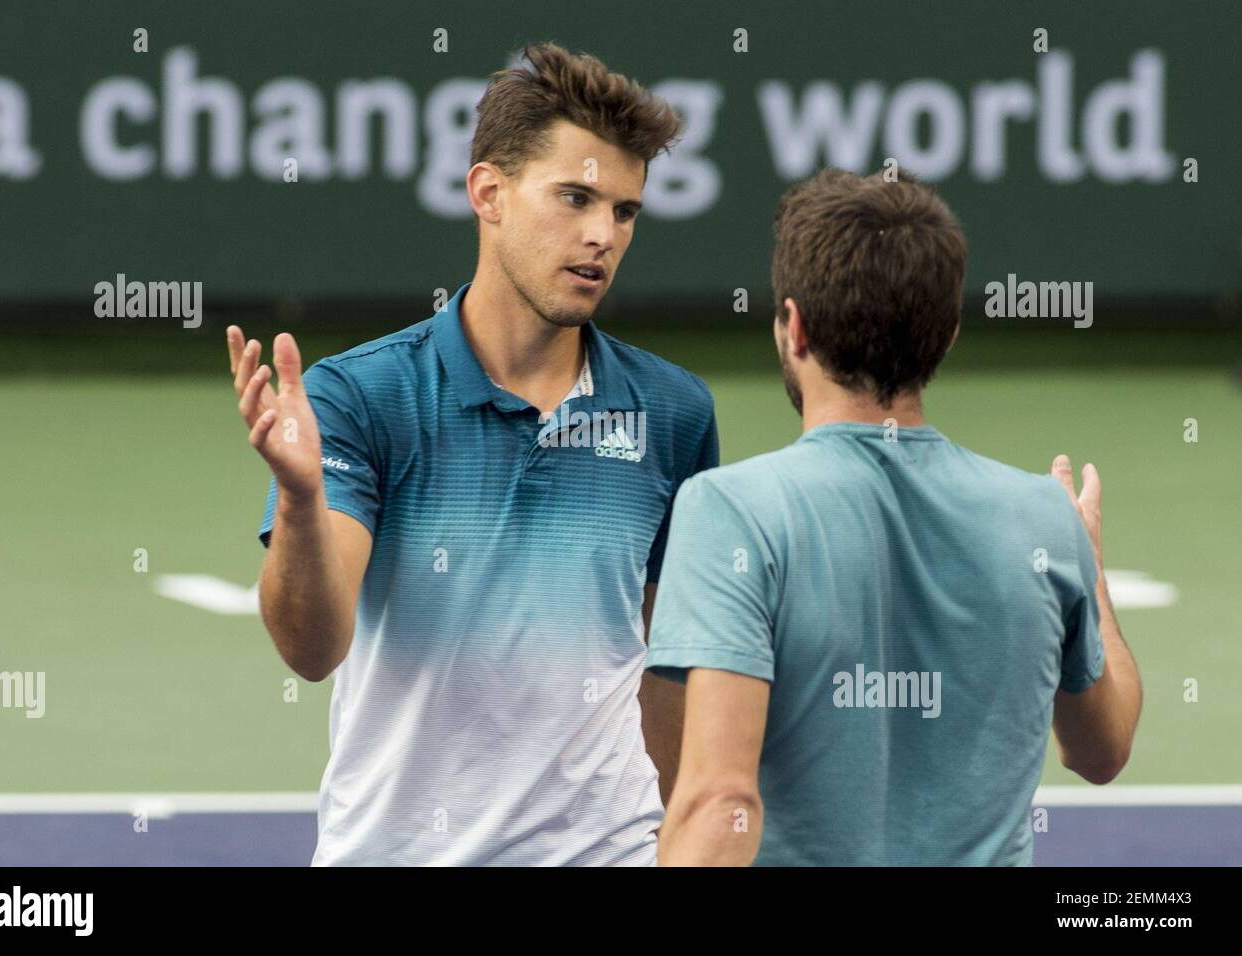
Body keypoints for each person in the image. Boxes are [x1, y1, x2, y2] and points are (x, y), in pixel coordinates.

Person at [225, 42, 718, 865]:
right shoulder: (361, 397)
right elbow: (311, 650)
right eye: (575, 197)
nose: (601, 235)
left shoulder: (673, 413)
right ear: (488, 192)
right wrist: (302, 503)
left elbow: (670, 667)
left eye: (625, 211)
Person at [644, 169, 1142, 866]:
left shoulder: (731, 512)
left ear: (795, 328)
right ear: (947, 335)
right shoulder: (1041, 518)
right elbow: (1103, 750)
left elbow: (719, 803)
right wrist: (1088, 570)